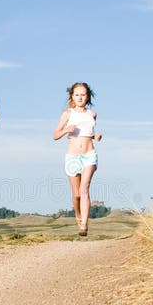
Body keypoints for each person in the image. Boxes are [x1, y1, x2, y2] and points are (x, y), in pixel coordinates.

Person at [53, 82, 102, 237]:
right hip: (72, 156)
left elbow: (90, 132)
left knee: (84, 189)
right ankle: (78, 215)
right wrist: (67, 129)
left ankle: (84, 225)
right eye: (77, 94)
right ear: (72, 96)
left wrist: (96, 136)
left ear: (87, 97)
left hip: (89, 154)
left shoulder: (92, 114)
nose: (80, 97)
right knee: (76, 194)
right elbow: (55, 135)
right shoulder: (67, 114)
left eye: (83, 94)